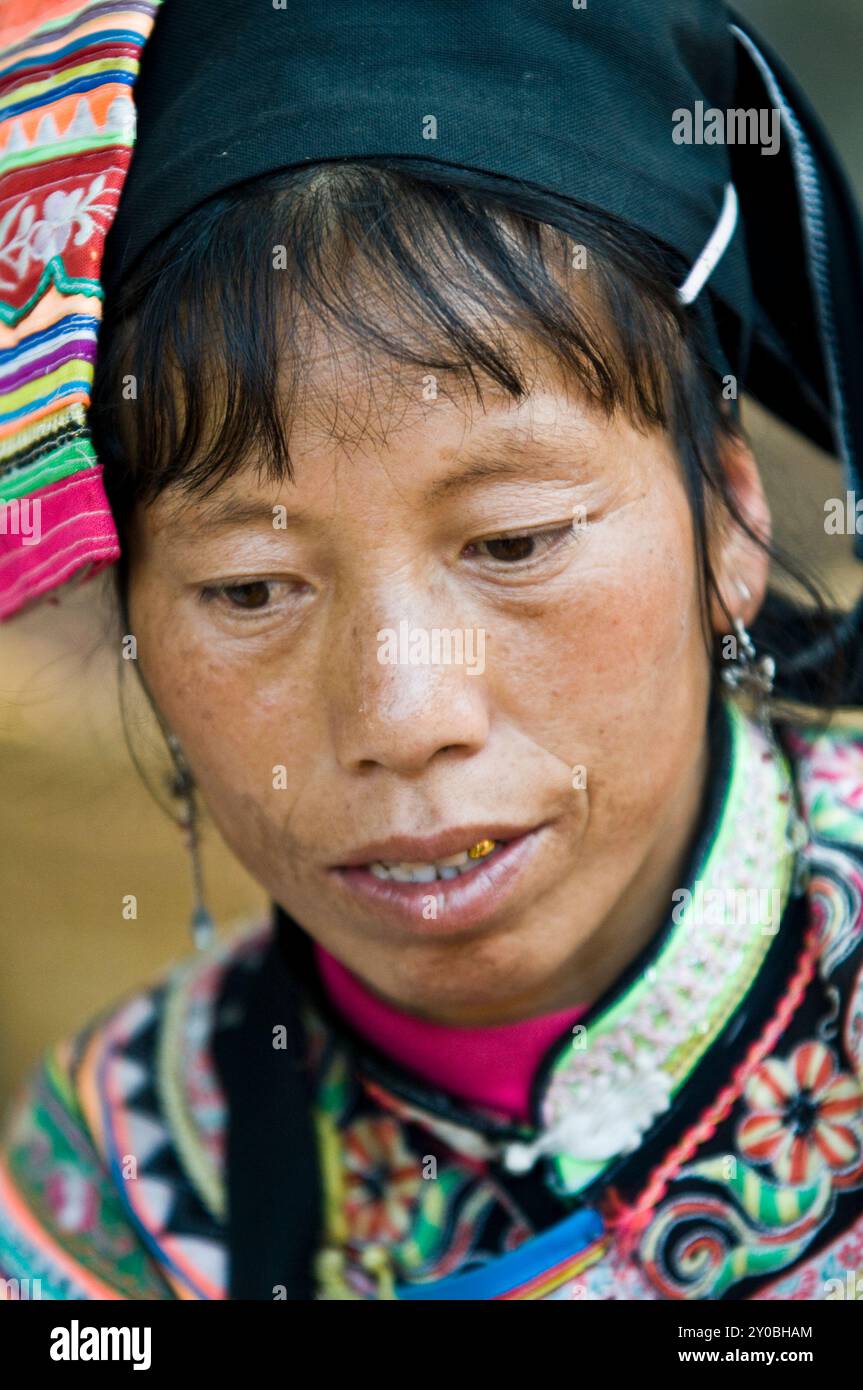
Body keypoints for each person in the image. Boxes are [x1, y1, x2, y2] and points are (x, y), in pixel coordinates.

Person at [1, 0, 863, 1302]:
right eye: (249, 587)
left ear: (731, 518)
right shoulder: (121, 1171)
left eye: (514, 542)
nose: (400, 715)